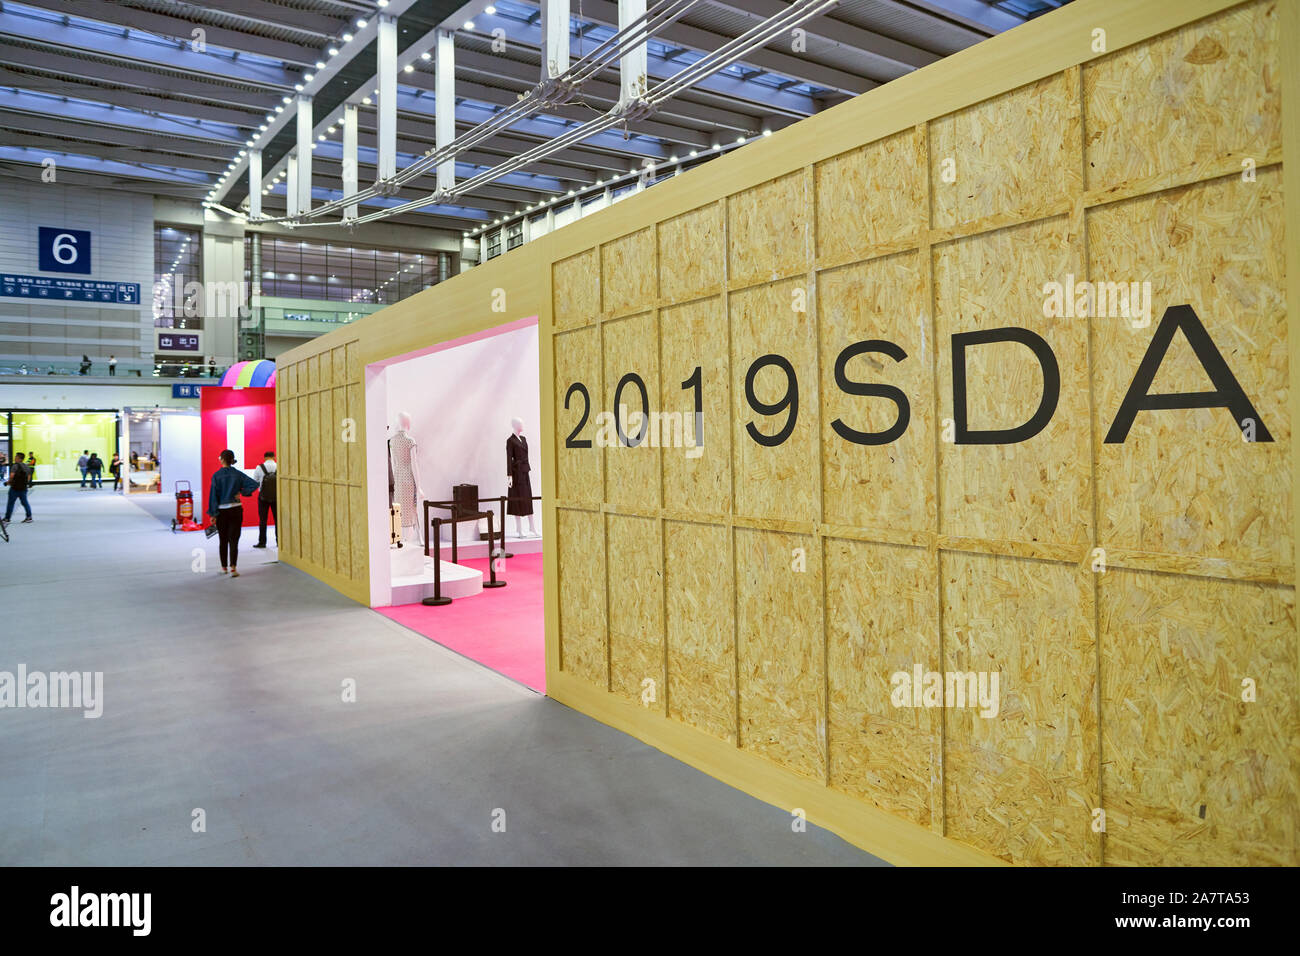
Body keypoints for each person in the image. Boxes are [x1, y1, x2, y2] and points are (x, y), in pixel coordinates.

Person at [208, 449, 258, 577]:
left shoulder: (216, 476)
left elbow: (213, 496)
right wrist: (242, 492)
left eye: (220, 457)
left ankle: (224, 568)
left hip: (222, 512)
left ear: (223, 459)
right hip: (236, 509)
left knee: (223, 540)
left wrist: (213, 514)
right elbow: (254, 484)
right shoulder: (238, 474)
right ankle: (233, 569)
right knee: (234, 540)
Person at [252, 450, 277, 549]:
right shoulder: (278, 466)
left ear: (265, 458)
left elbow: (255, 482)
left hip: (263, 497)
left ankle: (262, 542)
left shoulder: (259, 467)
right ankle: (279, 541)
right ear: (274, 457)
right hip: (276, 497)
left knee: (263, 520)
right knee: (277, 520)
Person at [2, 452, 32, 526]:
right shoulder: (26, 466)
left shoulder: (15, 466)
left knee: (11, 503)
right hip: (23, 488)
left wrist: (8, 483)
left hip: (14, 488)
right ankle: (29, 517)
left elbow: (12, 476)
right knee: (25, 502)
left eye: (16, 457)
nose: (15, 458)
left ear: (19, 458)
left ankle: (7, 518)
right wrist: (24, 484)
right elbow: (28, 478)